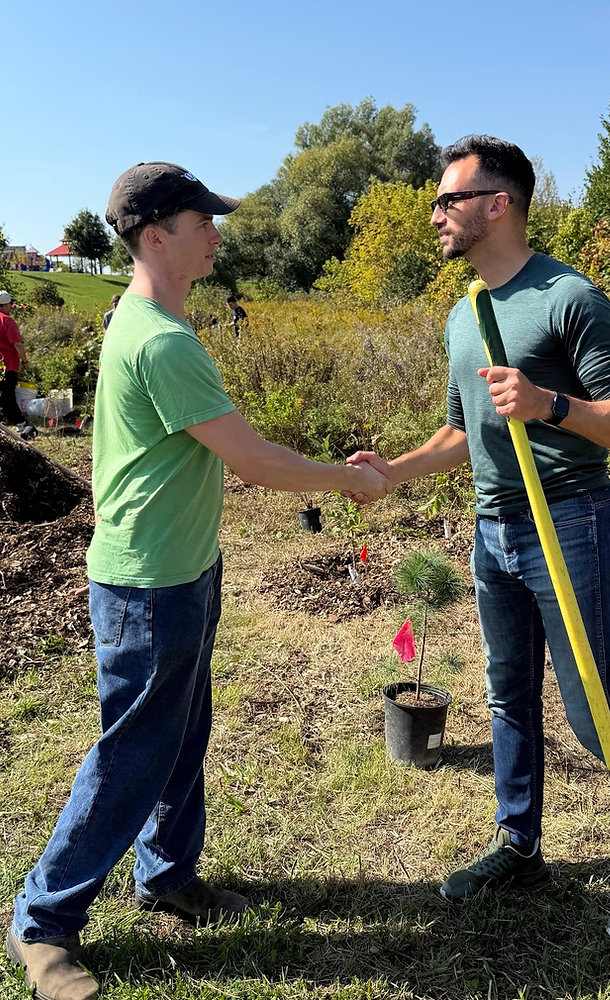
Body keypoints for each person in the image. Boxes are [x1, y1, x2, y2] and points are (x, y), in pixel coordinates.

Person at [5, 161, 391, 1000]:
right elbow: (253, 461)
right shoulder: (161, 339)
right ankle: (42, 922)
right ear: (155, 236)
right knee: (135, 755)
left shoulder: (142, 321)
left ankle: (168, 876)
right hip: (149, 586)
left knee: (181, 737)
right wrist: (349, 479)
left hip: (182, 570)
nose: (217, 231)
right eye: (201, 221)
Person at [349, 135, 610, 907]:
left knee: (589, 704)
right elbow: (461, 431)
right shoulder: (463, 313)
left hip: (569, 522)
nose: (437, 215)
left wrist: (551, 404)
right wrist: (394, 471)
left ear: (498, 204)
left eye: (450, 199)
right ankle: (519, 846)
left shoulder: (568, 298)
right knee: (508, 694)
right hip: (492, 528)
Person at [0, 290, 36, 440]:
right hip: (7, 365)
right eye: (10, 304)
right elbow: (18, 345)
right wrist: (25, 362)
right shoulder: (7, 321)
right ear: (6, 304)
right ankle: (22, 424)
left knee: (4, 397)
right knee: (8, 397)